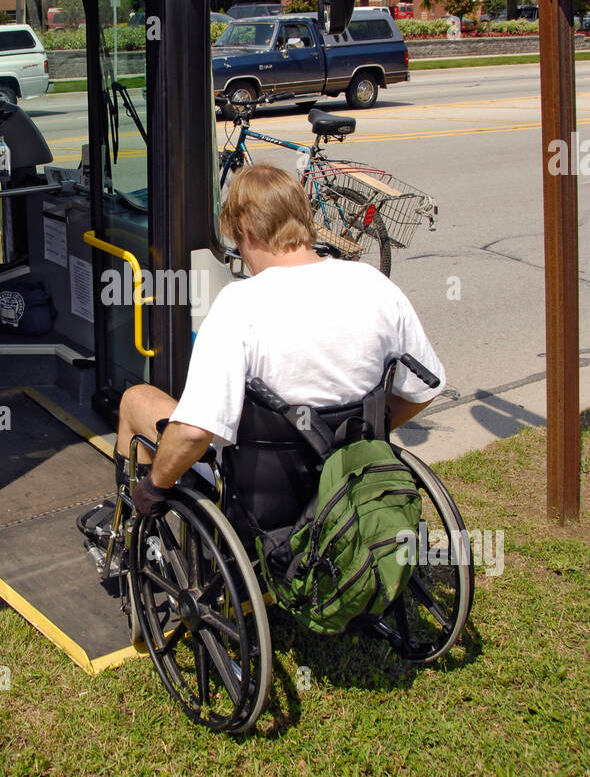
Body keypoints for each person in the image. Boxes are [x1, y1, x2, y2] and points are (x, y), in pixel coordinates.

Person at [114, 165, 446, 518]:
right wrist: (355, 441)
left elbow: (196, 432)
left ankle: (128, 526)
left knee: (137, 399)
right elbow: (425, 387)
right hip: (351, 478)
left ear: (245, 231)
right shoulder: (373, 283)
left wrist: (154, 487)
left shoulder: (238, 303)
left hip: (261, 496)